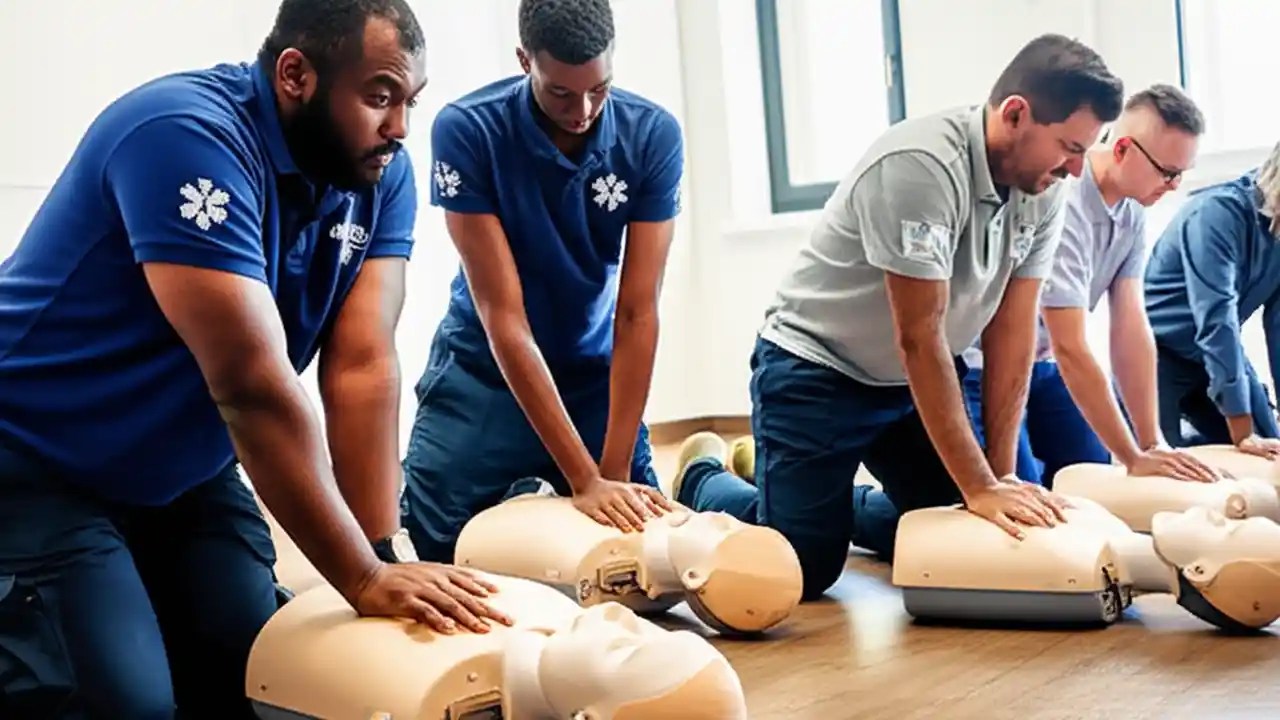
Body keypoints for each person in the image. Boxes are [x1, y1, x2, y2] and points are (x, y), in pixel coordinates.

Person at [0, 2, 512, 718]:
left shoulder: (377, 176)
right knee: (127, 705)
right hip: (35, 461)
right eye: (379, 96)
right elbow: (251, 388)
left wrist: (380, 558)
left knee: (260, 667)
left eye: (410, 102)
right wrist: (360, 578)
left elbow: (362, 367)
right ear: (296, 74)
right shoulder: (181, 135)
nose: (399, 127)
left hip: (182, 467)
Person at [671, 34, 1125, 599]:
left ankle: (826, 499)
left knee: (971, 536)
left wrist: (1000, 477)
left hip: (911, 385)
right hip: (817, 372)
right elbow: (919, 337)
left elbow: (1011, 335)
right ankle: (704, 476)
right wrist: (979, 485)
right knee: (803, 565)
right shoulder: (922, 167)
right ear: (1015, 115)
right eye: (1069, 148)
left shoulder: (1044, 188)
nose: (1077, 170)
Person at [400, 0, 683, 563]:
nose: (583, 110)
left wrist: (612, 474)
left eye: (599, 89)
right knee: (439, 545)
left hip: (589, 372)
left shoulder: (652, 135)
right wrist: (583, 479)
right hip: (483, 371)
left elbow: (637, 313)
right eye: (561, 93)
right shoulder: (468, 130)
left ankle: (701, 475)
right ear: (524, 60)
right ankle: (530, 492)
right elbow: (503, 317)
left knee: (639, 551)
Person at [962, 84, 1218, 487]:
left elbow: (1131, 326)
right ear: (1123, 150)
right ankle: (874, 506)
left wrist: (1151, 442)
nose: (1173, 185)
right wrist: (1132, 456)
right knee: (1021, 495)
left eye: (1181, 174)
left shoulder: (1132, 211)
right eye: (1168, 172)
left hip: (1043, 364)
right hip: (986, 366)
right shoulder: (1066, 202)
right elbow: (1071, 345)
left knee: (1094, 478)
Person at [1145, 141, 1280, 459]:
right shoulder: (1216, 214)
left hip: (1219, 355)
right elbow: (1217, 320)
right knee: (1165, 465)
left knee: (1271, 451)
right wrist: (1242, 432)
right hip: (1157, 352)